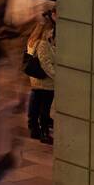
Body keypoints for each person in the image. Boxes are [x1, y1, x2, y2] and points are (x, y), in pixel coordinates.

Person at [26, 11, 56, 143]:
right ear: (46, 30)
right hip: (46, 82)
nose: (52, 32)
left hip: (36, 81)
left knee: (36, 105)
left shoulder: (32, 41)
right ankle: (44, 133)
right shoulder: (43, 44)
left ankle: (35, 129)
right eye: (51, 30)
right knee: (45, 108)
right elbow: (46, 64)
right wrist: (58, 77)